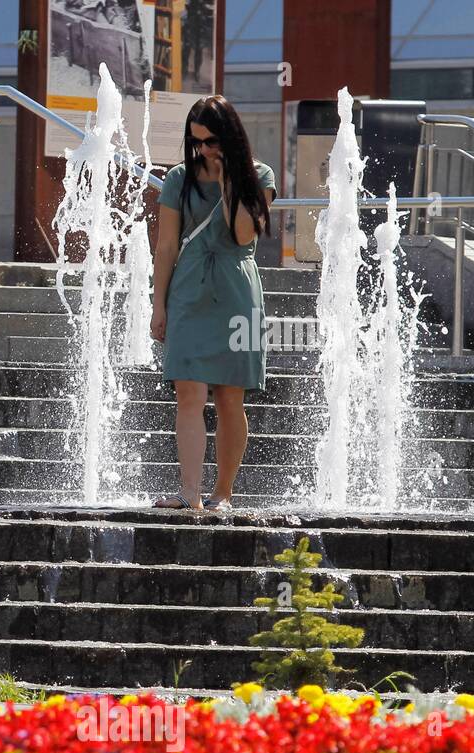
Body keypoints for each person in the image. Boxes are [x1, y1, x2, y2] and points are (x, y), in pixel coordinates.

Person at [150, 96, 276, 513]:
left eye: (211, 141)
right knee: (188, 392)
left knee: (229, 397)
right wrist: (159, 305)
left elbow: (242, 235)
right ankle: (190, 492)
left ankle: (223, 493)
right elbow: (167, 246)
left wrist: (228, 182)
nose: (204, 149)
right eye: (197, 141)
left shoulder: (260, 176)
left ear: (231, 137)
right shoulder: (177, 179)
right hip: (188, 290)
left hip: (236, 291)